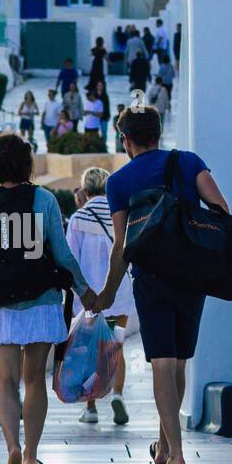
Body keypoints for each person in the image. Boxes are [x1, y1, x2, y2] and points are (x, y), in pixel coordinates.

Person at [94, 108, 230, 464]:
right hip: (191, 276)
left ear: (126, 140)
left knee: (162, 364)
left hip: (152, 279)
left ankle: (177, 455)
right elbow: (222, 208)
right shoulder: (188, 162)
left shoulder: (119, 182)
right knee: (179, 363)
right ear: (157, 132)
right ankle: (165, 446)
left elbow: (122, 245)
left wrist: (107, 292)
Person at [0, 134, 96, 464]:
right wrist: (85, 290)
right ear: (26, 164)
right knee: (34, 379)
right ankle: (32, 455)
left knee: (6, 380)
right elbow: (63, 255)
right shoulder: (44, 199)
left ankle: (12, 449)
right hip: (41, 301)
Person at [65, 167, 134, 426]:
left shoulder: (79, 218)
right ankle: (117, 394)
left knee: (88, 351)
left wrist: (77, 293)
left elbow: (70, 260)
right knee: (115, 346)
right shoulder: (121, 216)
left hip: (91, 296)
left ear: (84, 190)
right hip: (120, 291)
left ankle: (91, 408)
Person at [94, 79, 111, 145]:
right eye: (99, 85)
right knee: (96, 133)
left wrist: (108, 115)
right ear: (97, 86)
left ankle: (104, 145)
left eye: (101, 85)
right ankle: (97, 146)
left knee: (104, 133)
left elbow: (107, 106)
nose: (100, 86)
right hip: (96, 117)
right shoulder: (94, 95)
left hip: (104, 117)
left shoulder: (105, 95)